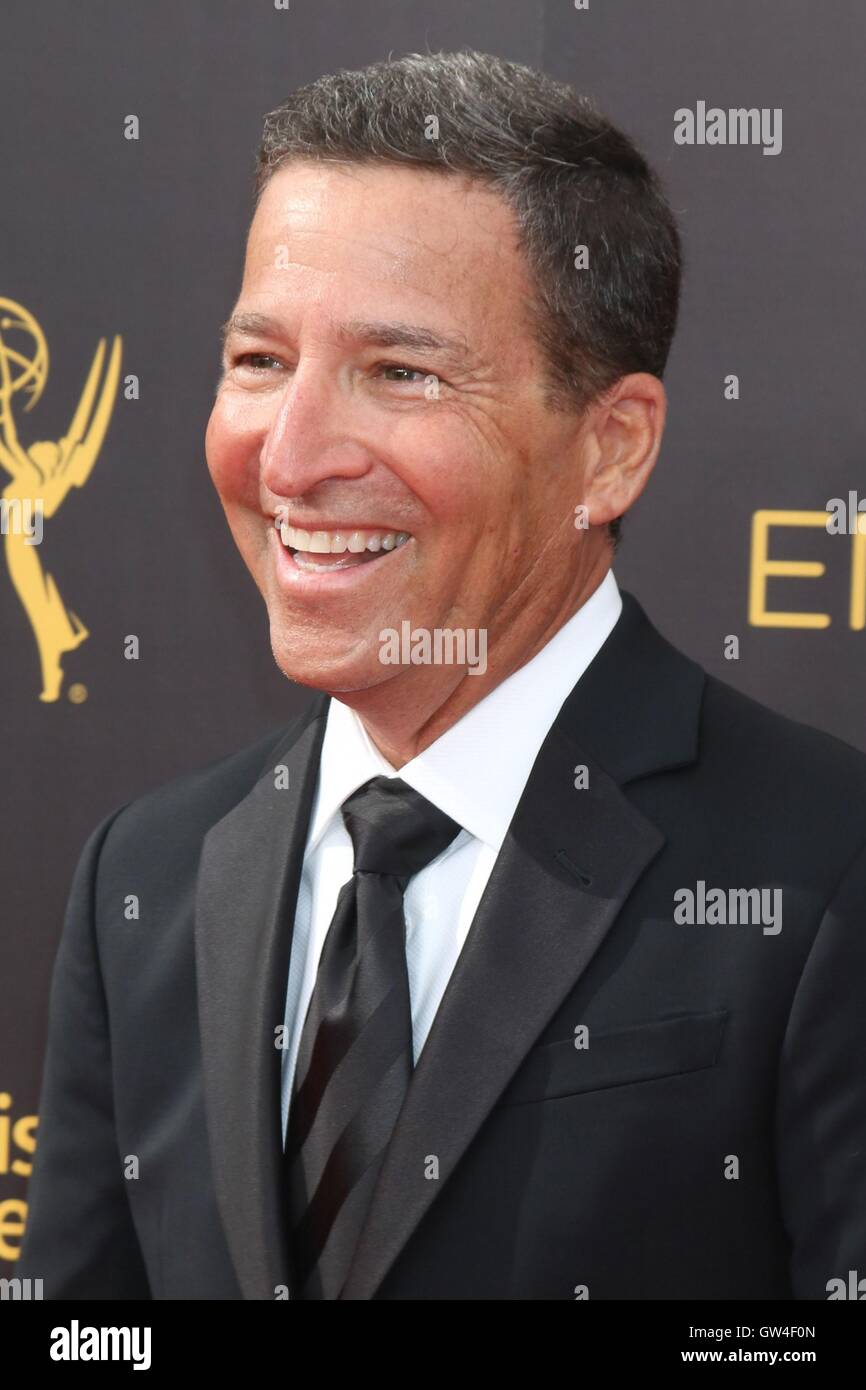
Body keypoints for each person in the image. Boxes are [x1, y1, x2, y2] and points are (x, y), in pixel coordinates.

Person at [19, 51, 866, 1300]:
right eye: (259, 361)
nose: (292, 458)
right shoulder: (145, 875)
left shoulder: (824, 870)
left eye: (399, 373)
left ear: (610, 448)